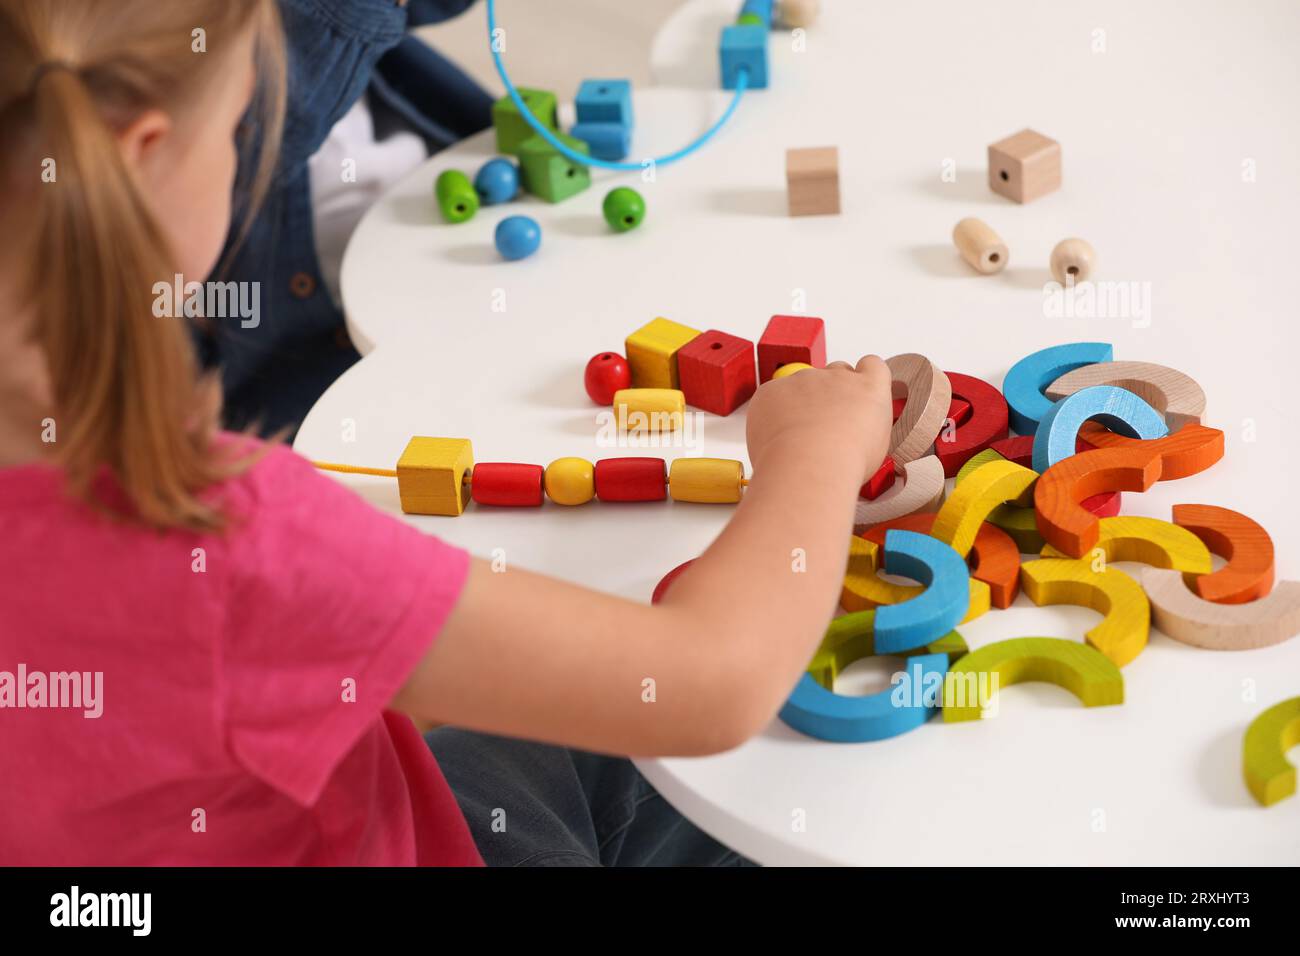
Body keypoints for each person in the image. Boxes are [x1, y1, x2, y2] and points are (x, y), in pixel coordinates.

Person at [0, 0, 892, 866]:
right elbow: (712, 682)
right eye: (239, 127)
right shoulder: (231, 541)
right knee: (800, 800)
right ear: (143, 156)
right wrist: (812, 452)